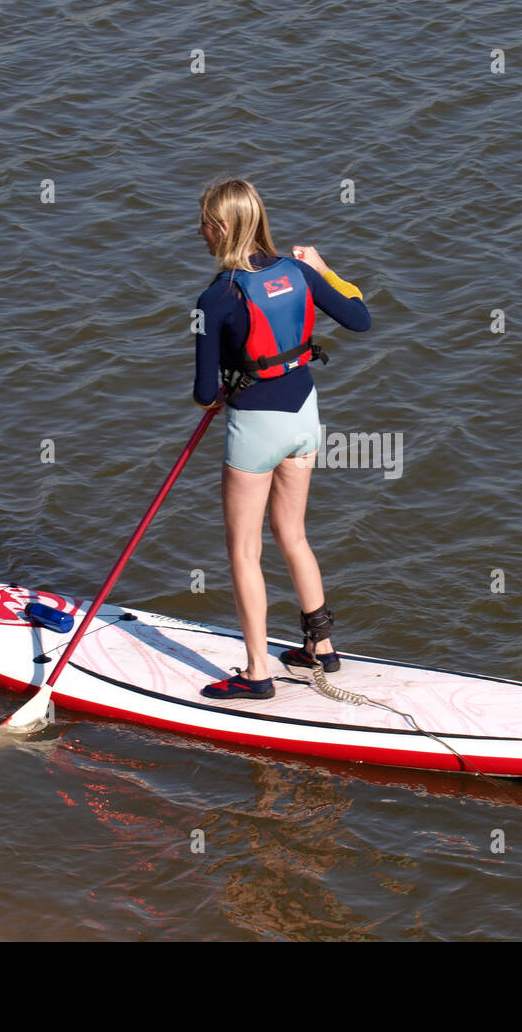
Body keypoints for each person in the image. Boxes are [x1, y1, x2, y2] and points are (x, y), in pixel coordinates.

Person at [192, 178, 370, 700]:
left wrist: (217, 396)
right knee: (292, 534)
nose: (199, 232)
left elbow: (203, 392)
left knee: (244, 551)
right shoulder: (298, 271)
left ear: (223, 227)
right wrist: (323, 269)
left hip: (256, 429)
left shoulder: (215, 298)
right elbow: (360, 318)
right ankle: (321, 647)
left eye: (204, 223)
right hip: (305, 417)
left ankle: (256, 674)